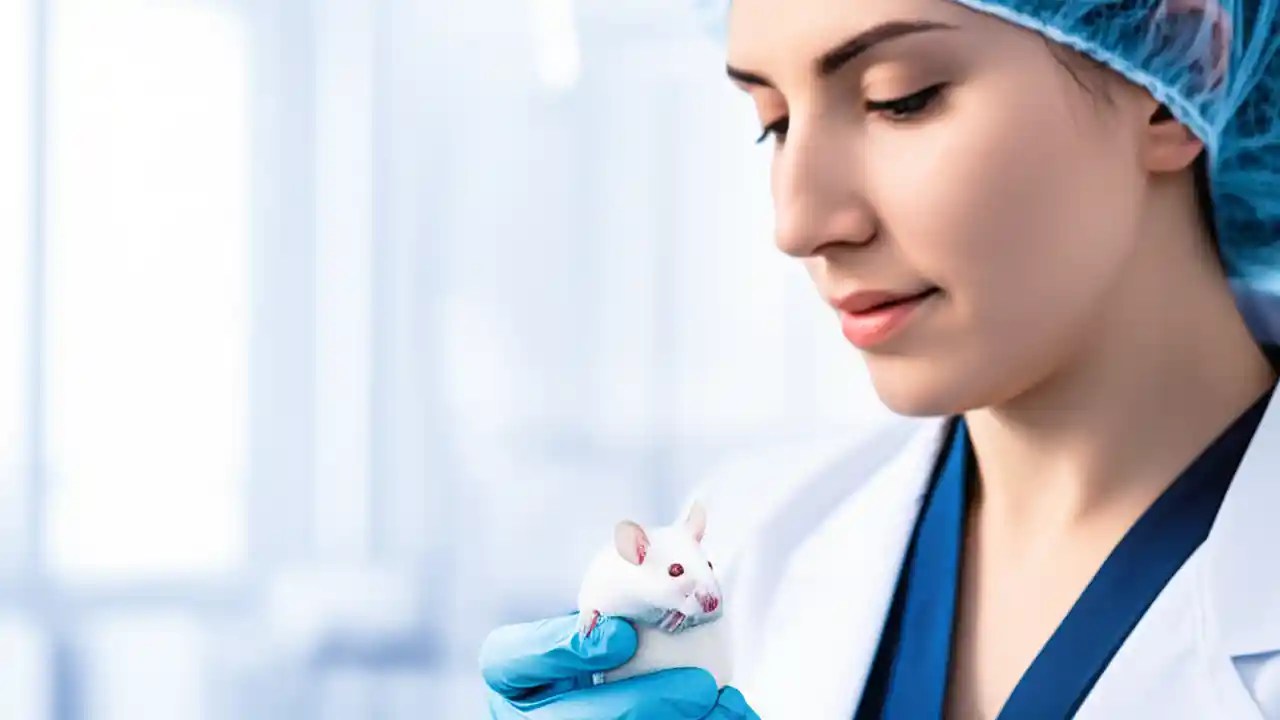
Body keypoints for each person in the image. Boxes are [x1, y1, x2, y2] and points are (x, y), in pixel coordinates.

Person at [481, 0, 1280, 717]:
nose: (798, 224)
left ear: (1182, 57)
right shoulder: (754, 543)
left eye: (898, 99)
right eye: (775, 121)